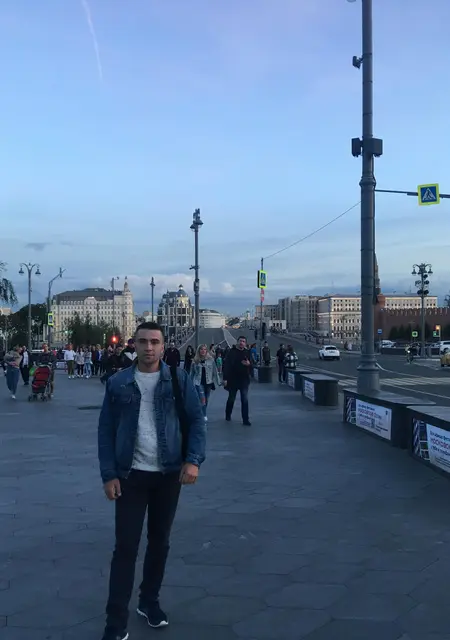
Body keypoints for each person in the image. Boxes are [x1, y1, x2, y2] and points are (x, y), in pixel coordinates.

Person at [98, 321, 205, 639]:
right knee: (125, 548)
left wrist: (193, 460)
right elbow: (105, 430)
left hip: (168, 474)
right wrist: (108, 475)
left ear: (163, 345)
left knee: (160, 542)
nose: (149, 348)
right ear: (134, 344)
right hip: (129, 476)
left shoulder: (178, 379)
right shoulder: (118, 382)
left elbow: (196, 421)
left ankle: (149, 601)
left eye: (155, 342)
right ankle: (115, 622)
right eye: (143, 341)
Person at [223, 336, 252, 426]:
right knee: (231, 398)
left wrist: (248, 364)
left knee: (245, 399)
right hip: (233, 379)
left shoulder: (247, 352)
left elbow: (252, 364)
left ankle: (245, 419)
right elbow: (226, 365)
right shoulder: (231, 352)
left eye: (243, 341)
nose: (241, 343)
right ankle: (228, 414)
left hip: (244, 380)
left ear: (245, 343)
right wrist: (225, 378)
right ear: (237, 342)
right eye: (240, 341)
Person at [190, 344, 220, 422]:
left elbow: (215, 371)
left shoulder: (211, 360)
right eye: (201, 349)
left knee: (206, 400)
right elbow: (192, 373)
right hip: (198, 382)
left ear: (206, 351)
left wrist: (219, 382)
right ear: (198, 351)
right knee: (202, 399)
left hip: (208, 382)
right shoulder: (195, 361)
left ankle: (200, 412)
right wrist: (189, 383)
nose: (203, 351)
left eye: (204, 349)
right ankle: (203, 415)